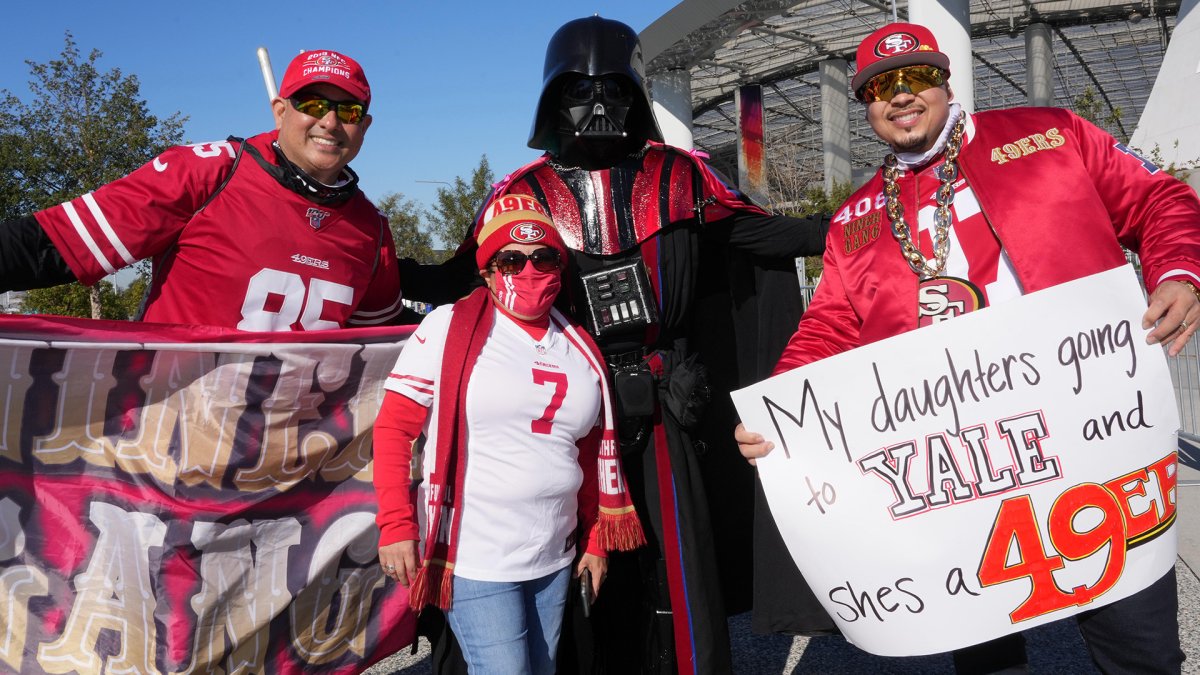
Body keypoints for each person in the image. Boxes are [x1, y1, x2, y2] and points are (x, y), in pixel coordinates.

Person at [736, 21, 1200, 674]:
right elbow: (829, 326)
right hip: (961, 475)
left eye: (916, 76)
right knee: (987, 662)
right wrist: (775, 408)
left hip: (1096, 444)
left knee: (1141, 652)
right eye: (879, 87)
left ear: (945, 81)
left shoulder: (1054, 134)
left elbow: (1158, 200)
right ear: (866, 106)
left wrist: (1178, 270)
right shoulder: (855, 218)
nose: (900, 95)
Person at [396, 15, 831, 674]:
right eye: (579, 91)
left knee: (679, 569)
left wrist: (868, 221)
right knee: (558, 563)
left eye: (613, 90)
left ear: (635, 95)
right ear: (552, 99)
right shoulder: (521, 194)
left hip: (665, 407)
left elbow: (767, 238)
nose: (598, 106)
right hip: (561, 406)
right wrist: (373, 262)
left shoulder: (684, 178)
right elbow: (460, 274)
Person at [372, 197, 644, 674]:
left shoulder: (579, 346)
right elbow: (395, 429)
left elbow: (589, 453)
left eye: (544, 257)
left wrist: (597, 541)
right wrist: (396, 525)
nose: (530, 269)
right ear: (488, 268)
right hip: (477, 555)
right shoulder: (445, 327)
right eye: (512, 259)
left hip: (553, 552)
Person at [0, 49, 403, 331]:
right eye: (313, 104)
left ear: (364, 126)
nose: (330, 122)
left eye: (348, 111)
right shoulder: (209, 172)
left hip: (289, 446)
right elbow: (51, 246)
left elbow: (379, 342)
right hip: (169, 435)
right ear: (281, 111)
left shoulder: (373, 229)